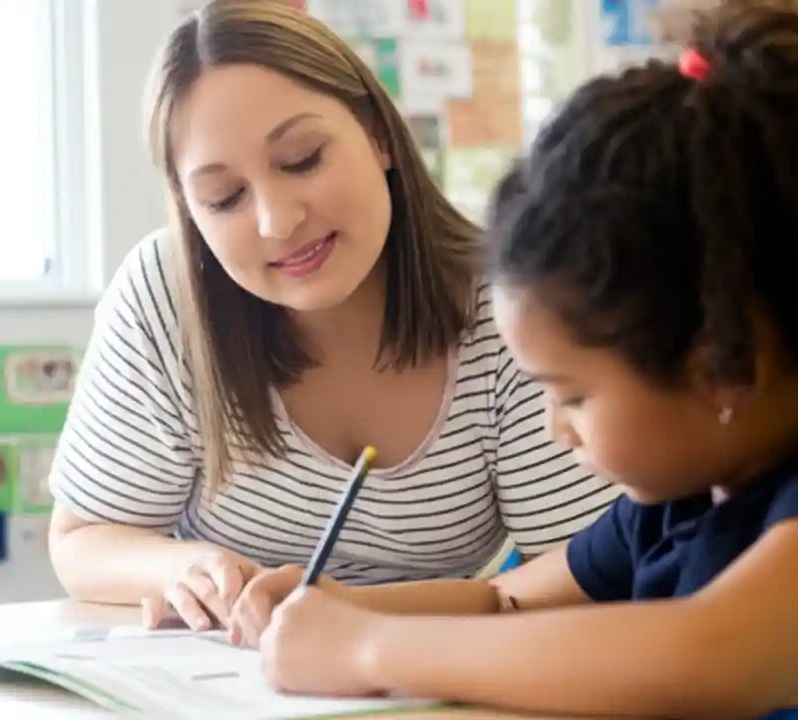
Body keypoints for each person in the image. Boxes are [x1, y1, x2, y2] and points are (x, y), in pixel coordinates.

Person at [229, 4, 798, 717]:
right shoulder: (680, 500)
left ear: (725, 366)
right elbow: (504, 602)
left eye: (573, 396)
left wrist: (368, 649)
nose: (557, 427)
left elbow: (714, 656)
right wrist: (340, 607)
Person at [46, 0, 617, 632]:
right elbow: (84, 538)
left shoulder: (507, 301)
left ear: (378, 133)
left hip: (436, 665)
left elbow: (587, 564)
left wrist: (362, 619)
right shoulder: (165, 295)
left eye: (303, 159)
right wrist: (184, 569)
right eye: (224, 197)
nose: (277, 221)